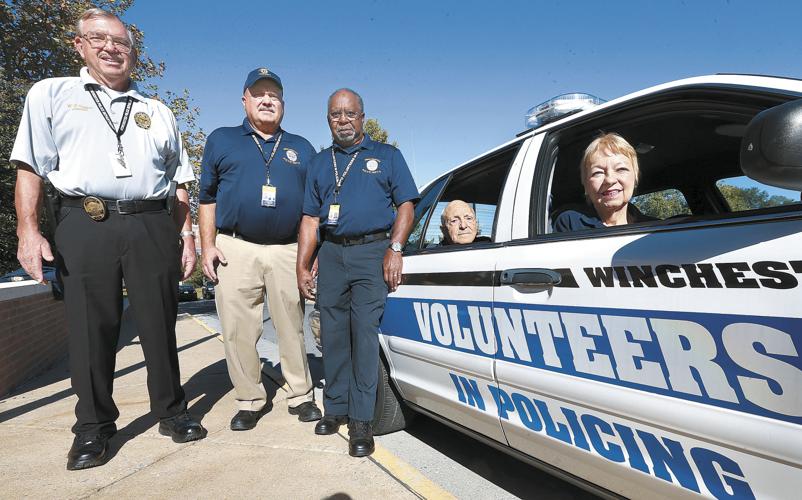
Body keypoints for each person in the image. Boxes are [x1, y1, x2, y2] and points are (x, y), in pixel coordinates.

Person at [11, 8, 205, 471]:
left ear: (133, 53)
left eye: (121, 41)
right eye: (99, 38)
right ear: (79, 45)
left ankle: (172, 413)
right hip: (85, 221)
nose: (111, 47)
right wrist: (28, 230)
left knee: (159, 323)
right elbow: (30, 167)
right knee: (89, 329)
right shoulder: (51, 94)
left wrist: (189, 233)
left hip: (151, 223)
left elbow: (178, 181)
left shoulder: (156, 111)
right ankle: (94, 429)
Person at [297, 88, 419, 457]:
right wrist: (303, 265)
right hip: (332, 252)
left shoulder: (387, 156)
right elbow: (310, 218)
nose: (343, 120)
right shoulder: (320, 163)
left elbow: (406, 206)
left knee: (364, 336)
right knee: (332, 335)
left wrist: (395, 248)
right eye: (336, 114)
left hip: (372, 252)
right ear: (328, 119)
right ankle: (335, 407)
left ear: (362, 117)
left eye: (350, 113)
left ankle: (362, 419)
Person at [199, 68, 322, 431]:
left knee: (292, 327)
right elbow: (206, 199)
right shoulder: (221, 140)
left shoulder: (301, 148)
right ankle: (250, 399)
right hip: (235, 247)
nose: (267, 100)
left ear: (283, 104)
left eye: (274, 95)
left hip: (287, 250)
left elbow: (311, 210)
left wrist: (309, 257)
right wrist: (207, 245)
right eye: (259, 94)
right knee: (239, 330)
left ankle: (300, 395)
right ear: (245, 100)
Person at [553, 132, 645, 232]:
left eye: (620, 169)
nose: (610, 180)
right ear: (586, 185)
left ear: (635, 177)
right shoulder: (571, 223)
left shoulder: (655, 228)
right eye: (598, 173)